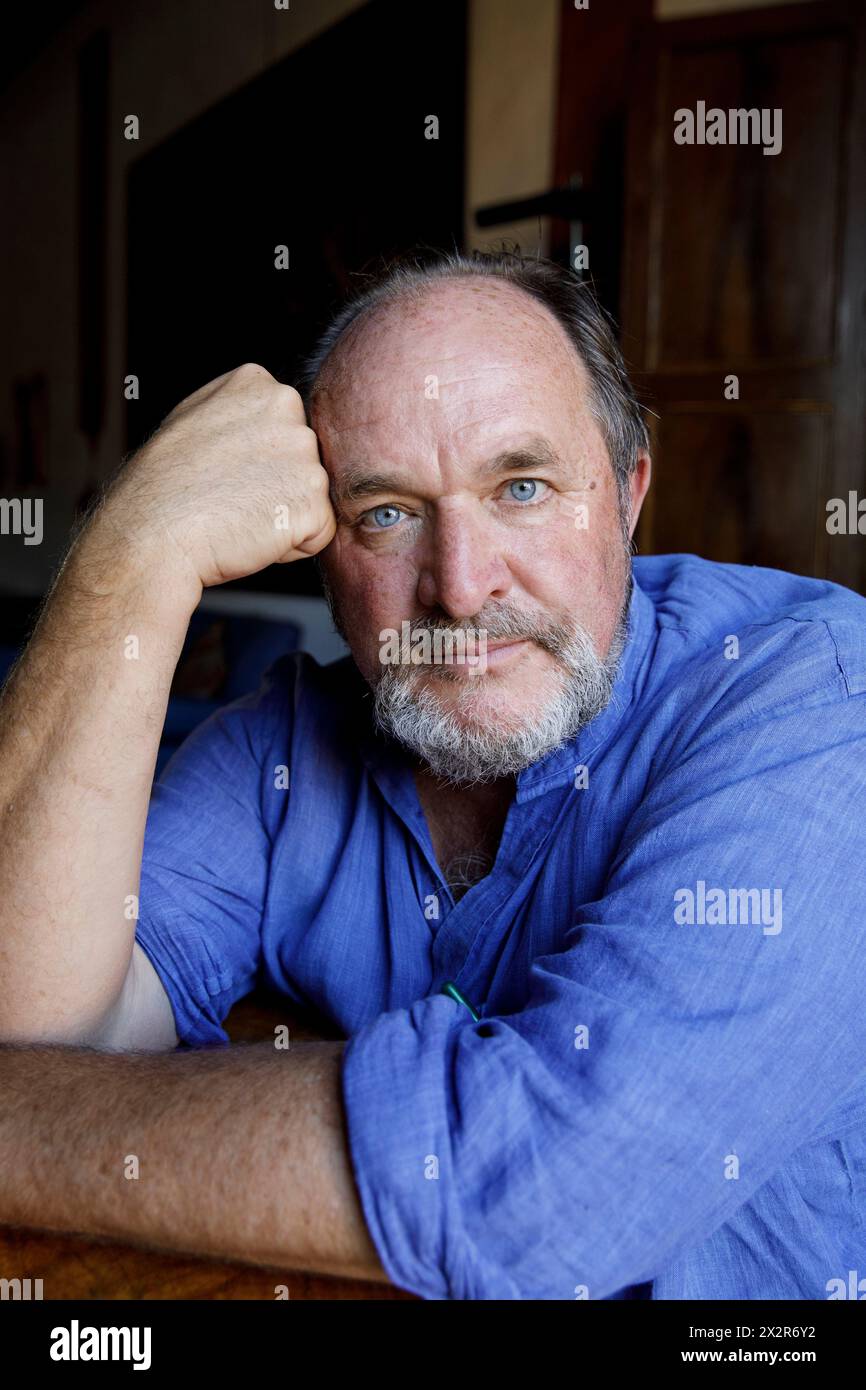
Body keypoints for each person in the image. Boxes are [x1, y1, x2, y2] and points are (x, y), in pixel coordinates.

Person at [1, 250, 865, 1301]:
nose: (458, 589)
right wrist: (128, 554)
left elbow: (540, 1190)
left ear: (628, 494)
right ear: (323, 554)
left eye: (522, 487)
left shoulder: (815, 694)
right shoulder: (276, 748)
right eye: (387, 513)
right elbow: (33, 1025)